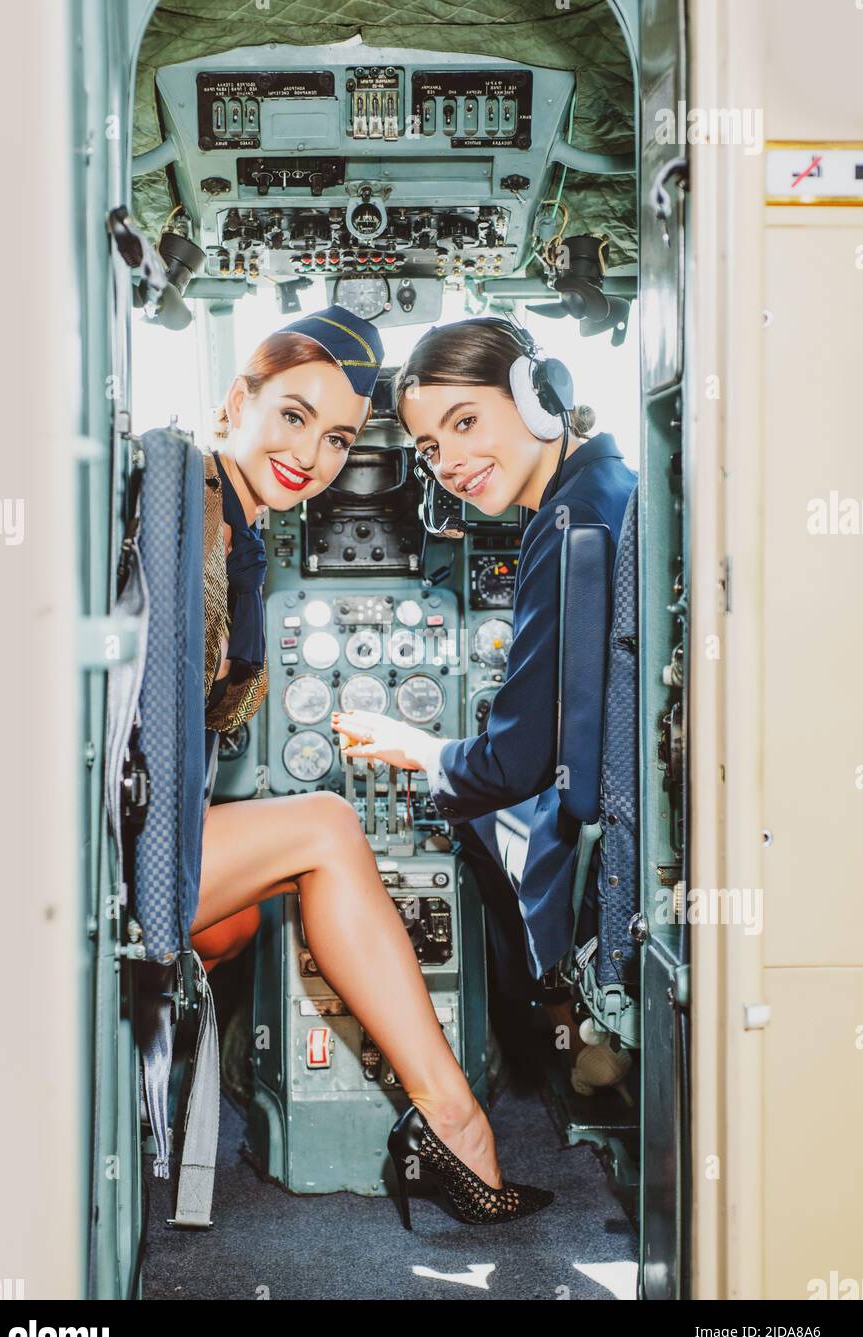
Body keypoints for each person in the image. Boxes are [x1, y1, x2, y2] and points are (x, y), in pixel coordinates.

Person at [189, 305, 553, 1227]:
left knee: (244, 927)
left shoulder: (220, 518)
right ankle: (456, 1122)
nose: (310, 455)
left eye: (339, 437)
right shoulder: (198, 514)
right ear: (239, 401)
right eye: (294, 416)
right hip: (113, 856)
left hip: (138, 843)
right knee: (326, 824)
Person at [332, 317, 637, 1001]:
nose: (448, 462)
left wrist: (418, 748)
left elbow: (512, 764)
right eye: (431, 446)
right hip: (615, 793)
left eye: (465, 422)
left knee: (461, 814)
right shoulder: (607, 491)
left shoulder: (567, 523)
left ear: (538, 398)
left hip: (595, 815)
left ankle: (537, 1019)